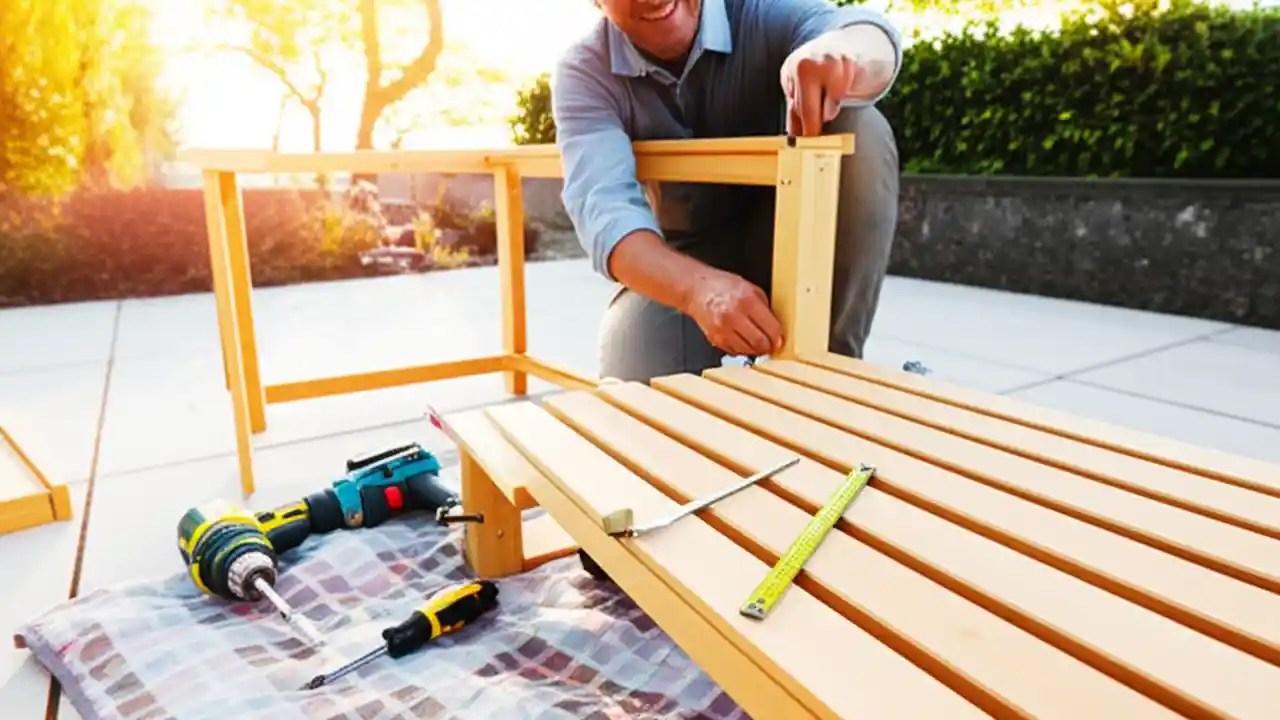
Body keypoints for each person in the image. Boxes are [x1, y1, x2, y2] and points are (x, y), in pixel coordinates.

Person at [552, 0, 902, 381]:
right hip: (682, 258)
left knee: (860, 129)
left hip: (796, 231)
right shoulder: (584, 73)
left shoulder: (761, 10)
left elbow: (866, 34)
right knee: (634, 390)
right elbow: (605, 210)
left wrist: (841, 53)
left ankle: (832, 369)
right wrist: (697, 291)